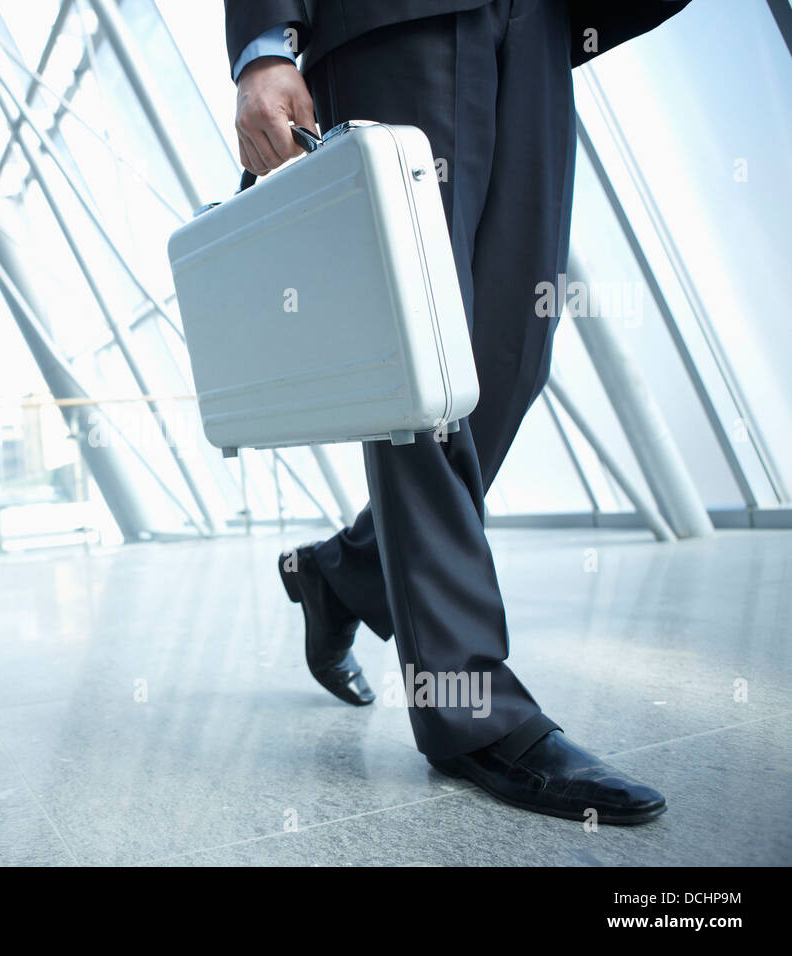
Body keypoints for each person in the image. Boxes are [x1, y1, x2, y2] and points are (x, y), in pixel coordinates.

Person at [229, 0, 691, 824]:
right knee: (423, 365)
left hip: (544, 22)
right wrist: (265, 45)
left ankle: (344, 574)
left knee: (510, 360)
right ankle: (473, 713)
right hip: (393, 24)